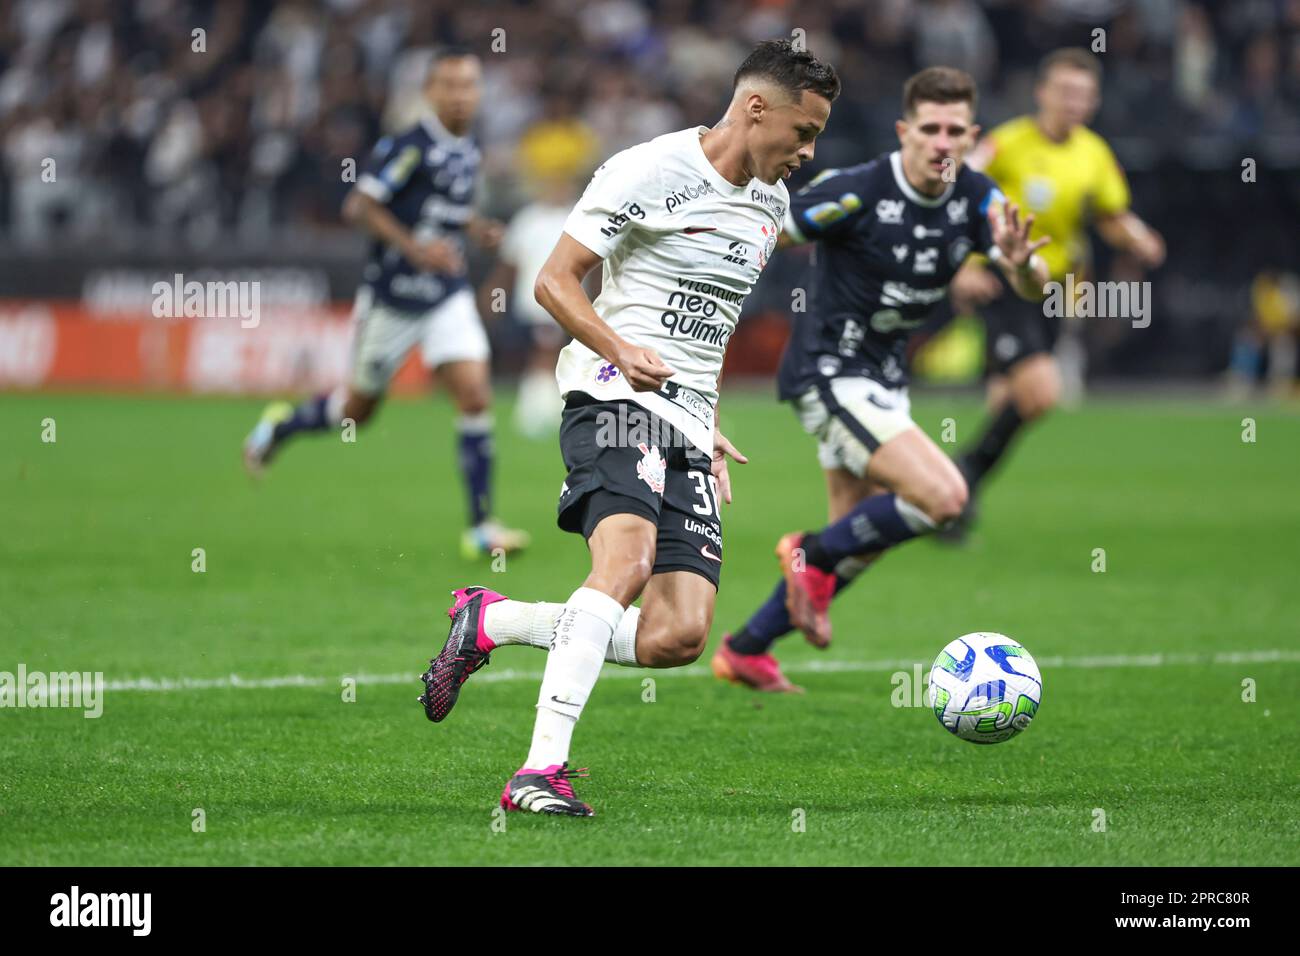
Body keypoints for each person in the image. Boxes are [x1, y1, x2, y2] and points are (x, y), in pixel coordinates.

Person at [417, 39, 840, 814]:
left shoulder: (770, 205)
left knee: (678, 635)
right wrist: (618, 348)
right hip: (609, 397)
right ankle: (539, 770)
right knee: (625, 566)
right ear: (755, 108)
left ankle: (493, 618)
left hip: (683, 418)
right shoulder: (649, 170)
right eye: (803, 131)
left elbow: (707, 333)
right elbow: (552, 280)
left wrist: (704, 425)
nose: (806, 152)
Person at [711, 67, 1049, 692]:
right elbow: (764, 234)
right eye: (930, 128)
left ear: (972, 136)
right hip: (829, 372)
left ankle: (747, 647)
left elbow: (1034, 280)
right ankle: (808, 548)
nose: (942, 142)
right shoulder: (859, 191)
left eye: (955, 130)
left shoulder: (979, 198)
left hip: (884, 379)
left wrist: (1025, 268)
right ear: (905, 132)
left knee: (860, 540)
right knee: (944, 499)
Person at [243, 48, 529, 559]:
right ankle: (282, 426)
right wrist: (415, 249)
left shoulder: (468, 150)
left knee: (474, 395)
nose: (462, 95)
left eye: (470, 85)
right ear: (431, 92)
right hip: (393, 299)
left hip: (445, 294)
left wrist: (474, 227)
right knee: (358, 410)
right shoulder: (408, 147)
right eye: (451, 86)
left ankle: (481, 526)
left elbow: (442, 209)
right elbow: (360, 206)